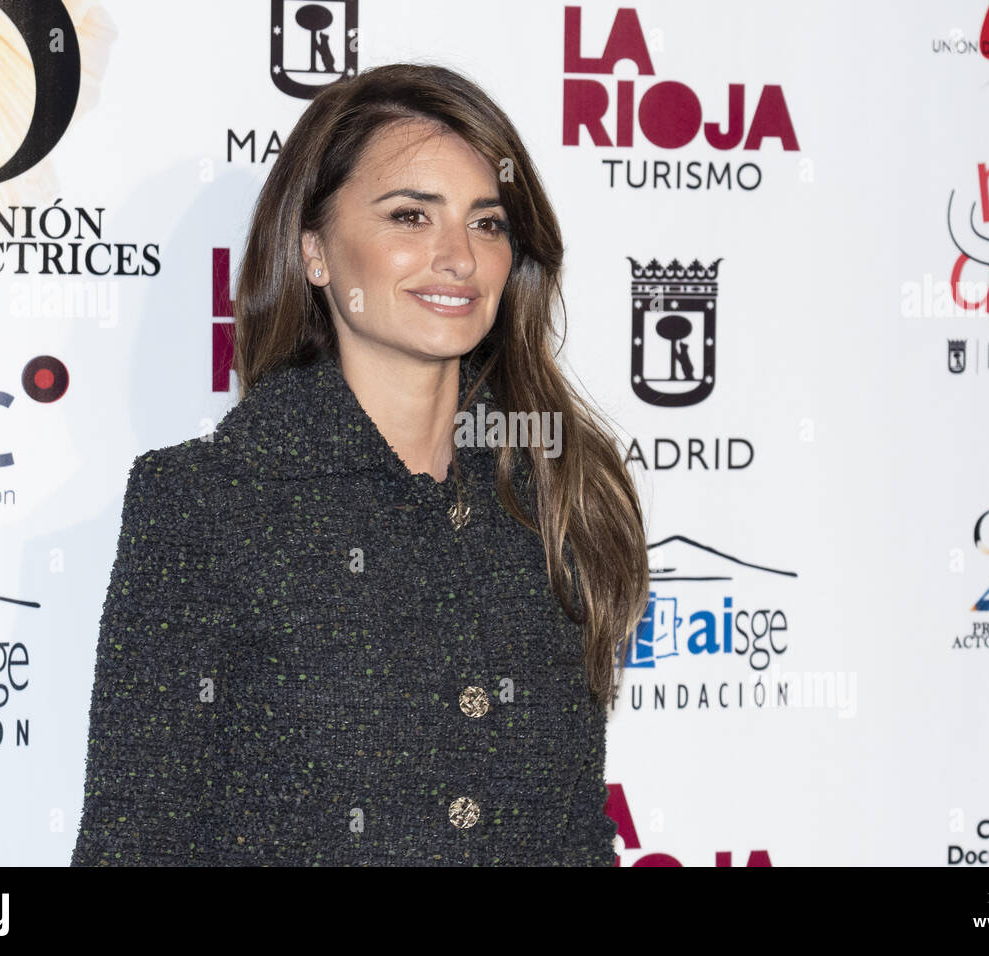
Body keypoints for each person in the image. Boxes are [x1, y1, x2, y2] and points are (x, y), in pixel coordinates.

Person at [70, 62, 649, 866]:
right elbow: (135, 844)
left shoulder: (557, 490)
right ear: (315, 252)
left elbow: (574, 833)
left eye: (487, 224)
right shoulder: (208, 503)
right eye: (411, 216)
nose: (458, 259)